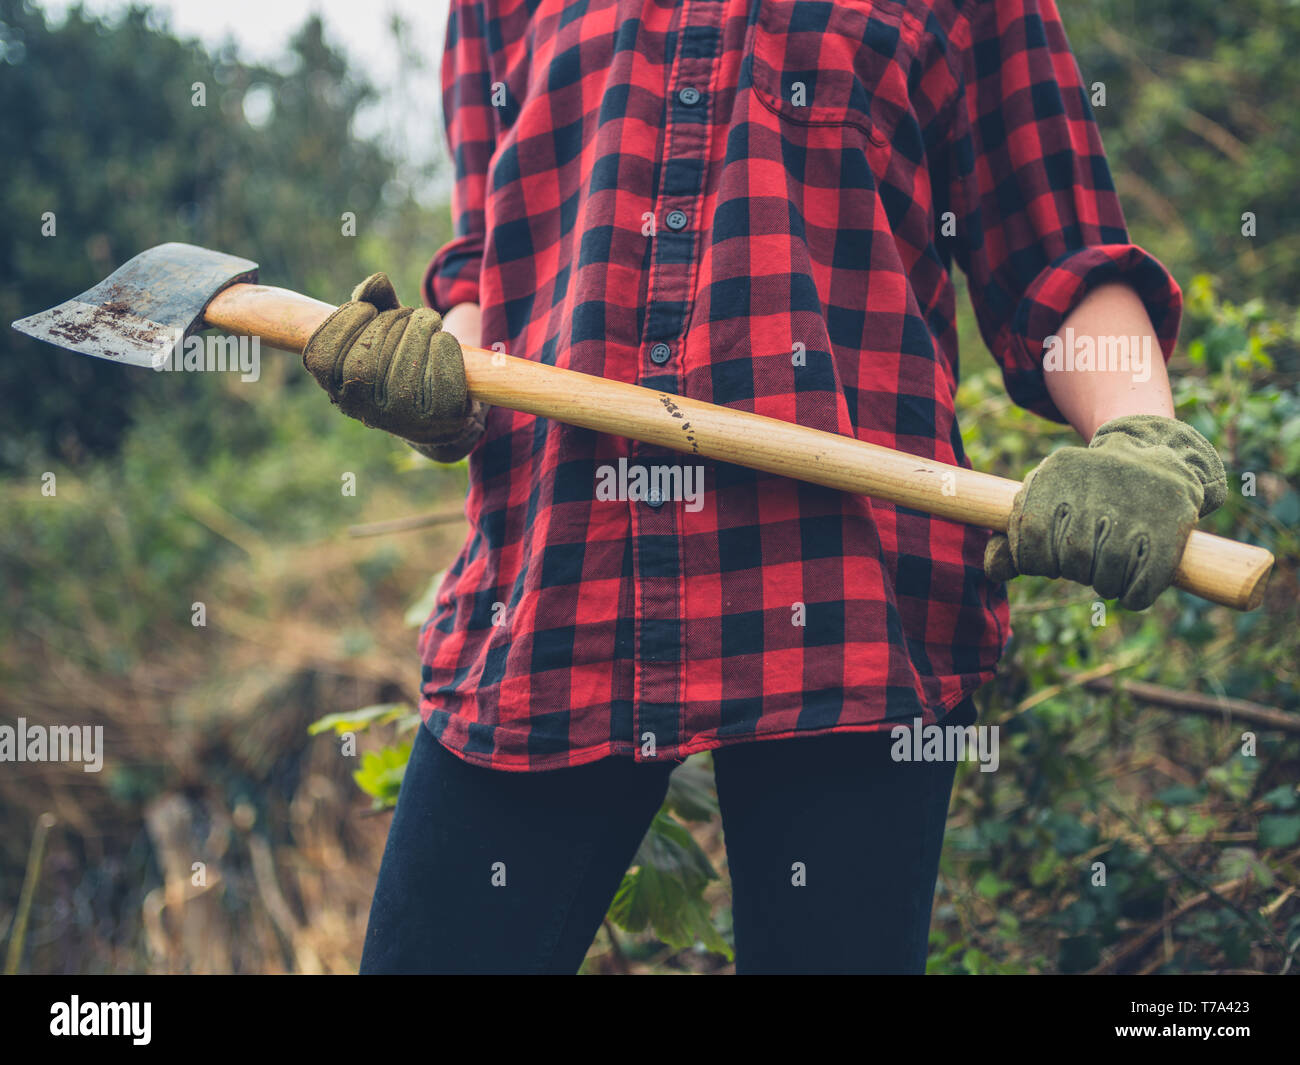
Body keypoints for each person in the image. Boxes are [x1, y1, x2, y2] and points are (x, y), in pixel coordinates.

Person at [301, 0, 1227, 974]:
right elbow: (491, 262)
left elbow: (1060, 251)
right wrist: (439, 374)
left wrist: (1140, 436)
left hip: (846, 604)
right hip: (550, 591)